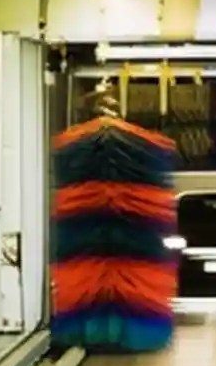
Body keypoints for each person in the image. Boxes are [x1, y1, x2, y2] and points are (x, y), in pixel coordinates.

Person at [48, 87, 177, 352]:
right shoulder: (143, 148)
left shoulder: (72, 146)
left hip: (85, 234)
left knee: (88, 273)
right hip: (130, 233)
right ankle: (126, 331)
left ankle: (89, 331)